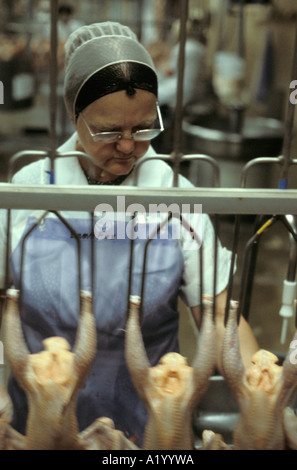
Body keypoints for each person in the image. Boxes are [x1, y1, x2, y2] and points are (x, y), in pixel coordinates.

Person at [0, 22, 258, 447]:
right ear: (72, 114)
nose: (126, 146)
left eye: (142, 128)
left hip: (148, 427)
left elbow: (218, 313)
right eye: (107, 132)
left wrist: (263, 398)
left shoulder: (173, 195)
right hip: (41, 426)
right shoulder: (30, 190)